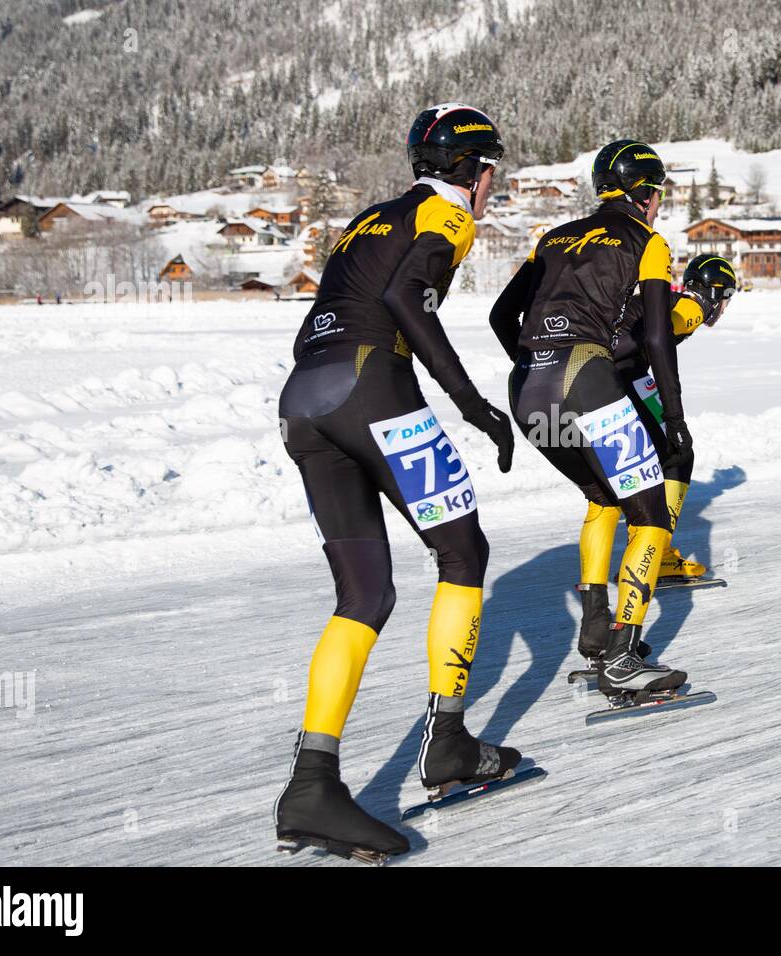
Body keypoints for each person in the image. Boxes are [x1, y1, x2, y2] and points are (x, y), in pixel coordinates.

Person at [273, 103, 521, 862]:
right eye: (491, 175)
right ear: (473, 174)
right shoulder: (448, 216)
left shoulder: (368, 219)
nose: (490, 189)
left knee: (365, 596)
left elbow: (324, 314)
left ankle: (312, 786)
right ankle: (447, 743)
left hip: (303, 397)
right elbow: (405, 300)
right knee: (463, 553)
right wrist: (474, 403)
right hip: (369, 384)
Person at [488, 139, 691, 697]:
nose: (658, 205)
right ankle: (624, 657)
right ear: (646, 193)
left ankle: (597, 629)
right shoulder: (647, 241)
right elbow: (654, 334)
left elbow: (501, 314)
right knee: (649, 514)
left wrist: (537, 365)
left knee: (604, 497)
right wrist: (672, 414)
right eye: (658, 195)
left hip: (527, 387)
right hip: (585, 377)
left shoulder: (551, 238)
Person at [612, 253, 738, 582]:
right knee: (679, 453)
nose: (724, 308)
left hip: (608, 369)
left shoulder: (673, 298)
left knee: (647, 457)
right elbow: (656, 341)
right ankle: (658, 552)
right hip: (626, 371)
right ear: (717, 293)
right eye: (727, 298)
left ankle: (644, 546)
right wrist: (674, 412)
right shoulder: (693, 308)